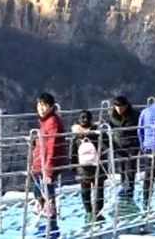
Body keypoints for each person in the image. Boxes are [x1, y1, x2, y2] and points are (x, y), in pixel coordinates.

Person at [31, 93, 67, 239]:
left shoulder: (52, 122)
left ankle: (50, 228)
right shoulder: (46, 121)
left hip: (46, 165)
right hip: (40, 164)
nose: (41, 108)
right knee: (41, 194)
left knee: (47, 196)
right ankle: (47, 225)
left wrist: (49, 170)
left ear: (51, 107)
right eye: (39, 105)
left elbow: (52, 146)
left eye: (44, 105)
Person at [70, 110, 105, 224]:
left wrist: (73, 166)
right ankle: (98, 213)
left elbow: (72, 151)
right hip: (97, 166)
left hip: (82, 168)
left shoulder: (76, 134)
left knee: (85, 192)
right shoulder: (97, 131)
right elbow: (106, 146)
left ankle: (89, 213)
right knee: (99, 190)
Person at [106, 96, 138, 203]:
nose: (119, 109)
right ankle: (124, 186)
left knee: (130, 167)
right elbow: (107, 128)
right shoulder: (112, 116)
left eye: (121, 107)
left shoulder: (135, 115)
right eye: (117, 107)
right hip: (119, 145)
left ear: (126, 106)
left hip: (132, 144)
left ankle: (130, 188)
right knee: (122, 167)